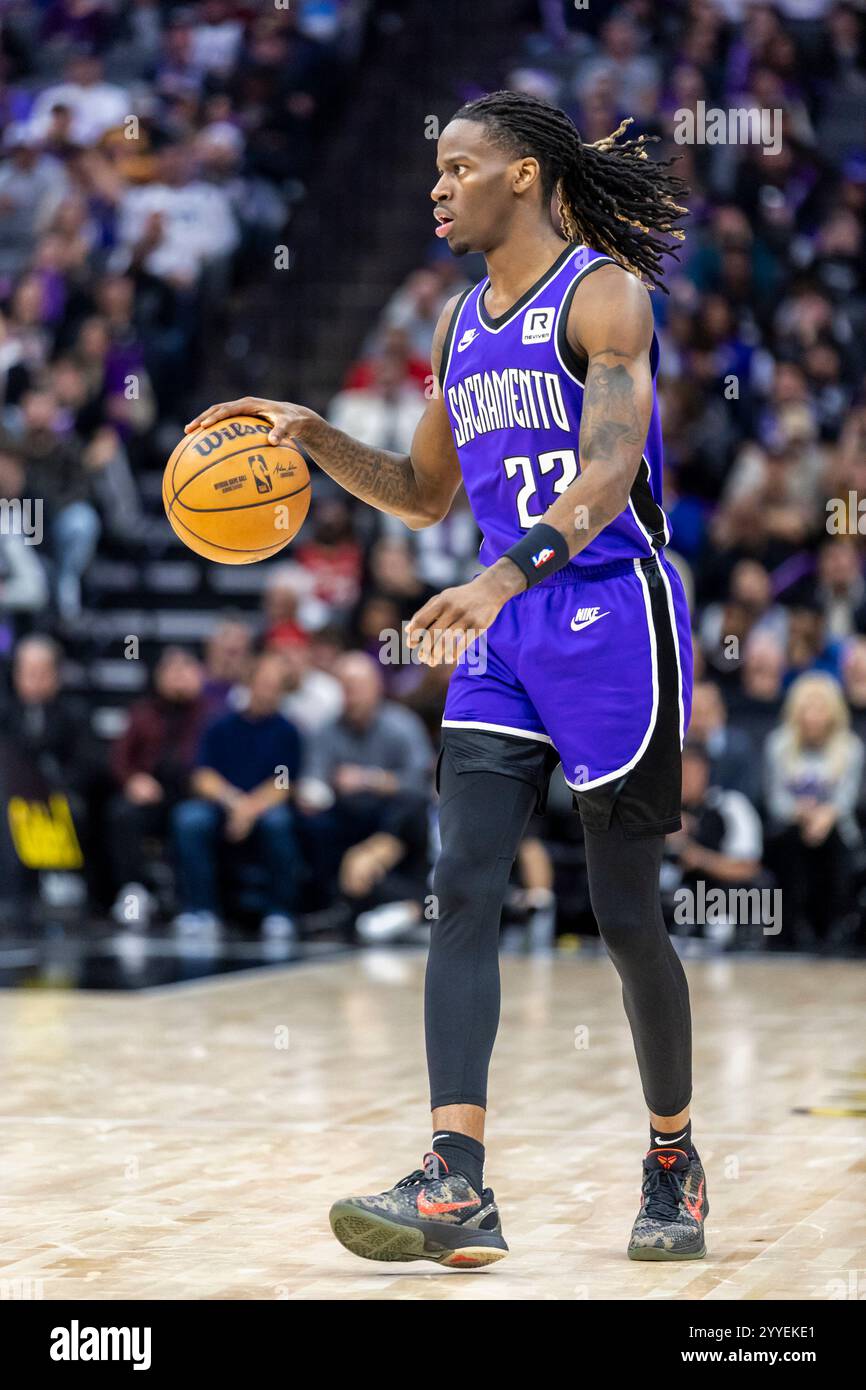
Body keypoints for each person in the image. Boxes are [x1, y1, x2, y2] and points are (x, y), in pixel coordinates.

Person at [187, 90, 702, 1265]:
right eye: (435, 167)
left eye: (458, 165)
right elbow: (423, 497)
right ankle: (455, 1178)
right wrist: (316, 437)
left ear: (521, 178)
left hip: (610, 619)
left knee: (624, 917)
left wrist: (505, 576)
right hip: (502, 640)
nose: (437, 185)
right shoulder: (458, 325)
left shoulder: (602, 294)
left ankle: (670, 1155)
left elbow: (610, 468)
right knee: (461, 878)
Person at [171, 651, 303, 938]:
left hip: (264, 806)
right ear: (249, 684)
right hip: (223, 804)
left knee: (278, 823)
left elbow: (284, 783)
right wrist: (234, 802)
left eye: (276, 686)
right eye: (264, 683)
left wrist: (250, 809)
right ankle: (201, 910)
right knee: (190, 819)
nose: (269, 691)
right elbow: (202, 776)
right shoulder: (220, 725)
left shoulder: (287, 731)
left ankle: (279, 911)